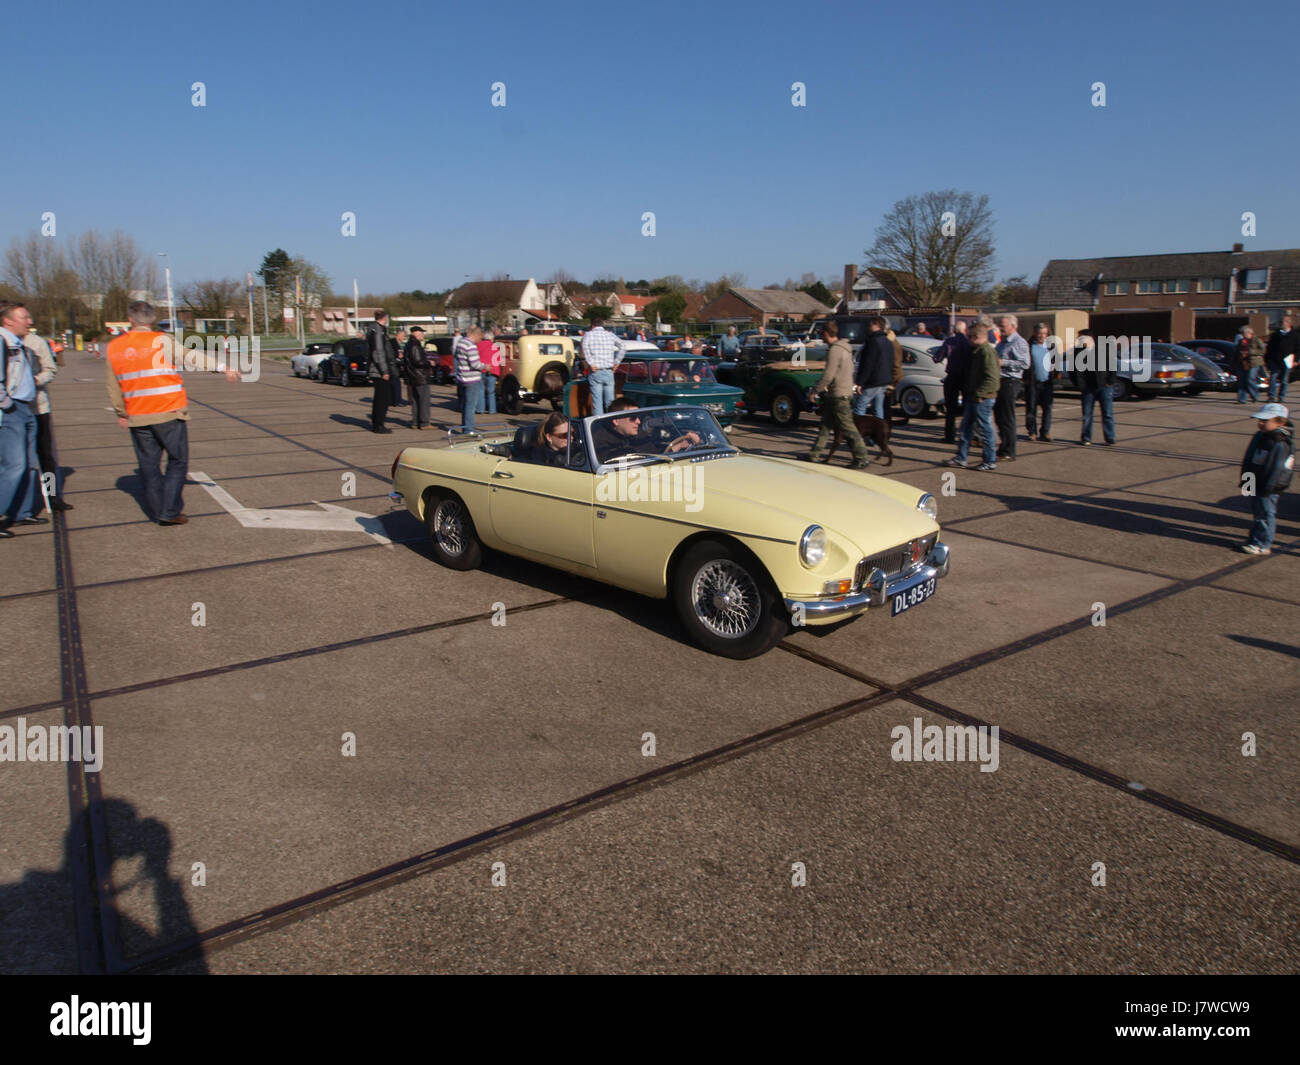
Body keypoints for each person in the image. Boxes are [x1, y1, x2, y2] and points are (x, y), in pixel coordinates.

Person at [104, 300, 240, 525]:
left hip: (138, 416)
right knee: (177, 461)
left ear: (130, 320)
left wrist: (121, 412)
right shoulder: (161, 341)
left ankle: (159, 510)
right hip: (168, 412)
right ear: (152, 320)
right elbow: (190, 357)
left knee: (149, 466)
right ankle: (169, 511)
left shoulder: (115, 346)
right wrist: (223, 367)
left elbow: (112, 384)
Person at [0, 302, 44, 537]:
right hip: (11, 410)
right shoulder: (3, 341)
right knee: (14, 465)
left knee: (28, 464)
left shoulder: (18, 344)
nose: (29, 322)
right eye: (24, 318)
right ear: (8, 321)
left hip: (25, 408)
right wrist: (6, 404)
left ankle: (22, 511)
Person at [806, 320, 870, 469]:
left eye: (822, 333)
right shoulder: (846, 348)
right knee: (826, 426)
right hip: (841, 392)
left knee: (848, 427)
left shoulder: (835, 350)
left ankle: (862, 457)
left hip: (839, 395)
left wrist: (815, 391)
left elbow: (829, 375)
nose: (821, 337)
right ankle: (813, 454)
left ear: (827, 333)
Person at [1238, 403, 1293, 555]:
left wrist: (1268, 488)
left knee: (1265, 513)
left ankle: (1262, 544)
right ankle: (1254, 539)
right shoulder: (1260, 436)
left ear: (1280, 422)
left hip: (1267, 486)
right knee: (1257, 513)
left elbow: (1276, 469)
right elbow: (1249, 459)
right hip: (1255, 480)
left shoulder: (1280, 442)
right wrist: (1246, 481)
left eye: (1265, 420)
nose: (1260, 423)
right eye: (1259, 420)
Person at [946, 322, 999, 471]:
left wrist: (980, 394)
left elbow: (992, 378)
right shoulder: (977, 351)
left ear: (976, 337)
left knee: (985, 429)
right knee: (965, 428)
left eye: (969, 337)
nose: (967, 340)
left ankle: (990, 460)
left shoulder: (986, 352)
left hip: (982, 398)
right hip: (973, 396)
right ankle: (961, 457)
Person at [590, 398, 701, 462]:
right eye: (633, 417)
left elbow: (656, 457)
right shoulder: (599, 440)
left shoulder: (639, 436)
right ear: (616, 420)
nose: (638, 421)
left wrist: (680, 445)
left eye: (639, 417)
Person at [994, 315, 1030, 461]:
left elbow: (1025, 363)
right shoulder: (1002, 342)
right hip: (1000, 381)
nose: (1000, 328)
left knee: (1007, 417)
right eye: (1000, 325)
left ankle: (1009, 451)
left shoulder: (1019, 342)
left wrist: (1004, 362)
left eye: (1003, 326)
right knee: (999, 416)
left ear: (1013, 326)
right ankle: (1003, 446)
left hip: (1011, 381)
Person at [1075, 332, 1116, 446]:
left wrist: (1110, 382)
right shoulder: (1078, 352)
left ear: (1090, 338)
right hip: (1088, 389)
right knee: (1087, 414)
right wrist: (1081, 386)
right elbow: (1076, 372)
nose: (1079, 340)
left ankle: (1110, 437)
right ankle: (1086, 437)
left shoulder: (1103, 349)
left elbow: (1112, 365)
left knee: (1107, 413)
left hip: (1104, 387)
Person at [580, 317, 625, 416]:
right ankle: (612, 422)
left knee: (597, 403)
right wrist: (616, 362)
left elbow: (585, 348)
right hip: (609, 370)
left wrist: (590, 363)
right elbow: (623, 346)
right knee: (610, 402)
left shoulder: (589, 335)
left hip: (596, 370)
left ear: (592, 325)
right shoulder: (610, 335)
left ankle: (598, 425)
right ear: (602, 325)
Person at [934, 320, 970, 444]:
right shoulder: (968, 342)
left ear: (954, 330)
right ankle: (968, 435)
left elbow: (937, 358)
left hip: (952, 376)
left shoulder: (949, 342)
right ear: (964, 330)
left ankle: (950, 436)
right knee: (968, 408)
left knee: (950, 409)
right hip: (966, 377)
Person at [853, 316, 893, 418]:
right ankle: (879, 430)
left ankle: (857, 431)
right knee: (878, 408)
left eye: (870, 324)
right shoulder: (887, 341)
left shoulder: (873, 341)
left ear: (877, 325)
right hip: (884, 379)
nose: (868, 326)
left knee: (860, 407)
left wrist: (860, 382)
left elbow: (868, 363)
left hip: (873, 380)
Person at [1024, 322, 1055, 442]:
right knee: (1031, 408)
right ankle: (1032, 432)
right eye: (1039, 333)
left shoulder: (1051, 346)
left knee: (1047, 408)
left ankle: (1045, 432)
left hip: (1047, 383)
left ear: (1047, 334)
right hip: (1032, 383)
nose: (1041, 336)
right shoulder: (1028, 346)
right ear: (1034, 333)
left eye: (1043, 333)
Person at [366, 311, 395, 433]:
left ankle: (377, 423)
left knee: (379, 398)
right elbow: (379, 351)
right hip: (379, 370)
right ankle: (379, 425)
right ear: (384, 317)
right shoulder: (378, 331)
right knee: (382, 399)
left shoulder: (372, 329)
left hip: (376, 369)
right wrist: (384, 371)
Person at [454, 326, 487, 430]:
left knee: (465, 405)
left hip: (462, 377)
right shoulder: (471, 346)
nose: (480, 340)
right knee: (471, 406)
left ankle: (465, 427)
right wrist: (486, 366)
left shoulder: (461, 343)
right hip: (471, 379)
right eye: (480, 338)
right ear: (476, 335)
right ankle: (469, 429)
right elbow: (475, 364)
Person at [403, 326, 432, 430]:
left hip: (413, 376)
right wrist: (429, 363)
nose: (423, 335)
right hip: (420, 376)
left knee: (415, 400)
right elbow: (418, 361)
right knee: (424, 400)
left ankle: (415, 422)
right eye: (422, 333)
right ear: (416, 333)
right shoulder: (415, 345)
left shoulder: (409, 344)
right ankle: (424, 422)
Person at [1264, 316, 1295, 403]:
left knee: (1284, 380)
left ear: (1289, 323)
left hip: (1287, 360)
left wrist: (1296, 360)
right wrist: (1267, 359)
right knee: (1273, 377)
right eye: (1281, 321)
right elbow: (1269, 347)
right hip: (1275, 360)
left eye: (1284, 321)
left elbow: (1297, 348)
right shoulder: (1275, 335)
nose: (1282, 323)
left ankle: (1281, 397)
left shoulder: (1294, 335)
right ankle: (1271, 396)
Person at [1235, 326, 1266, 404]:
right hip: (1242, 363)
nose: (1242, 335)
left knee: (1250, 379)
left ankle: (1254, 395)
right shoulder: (1241, 341)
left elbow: (1263, 350)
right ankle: (1242, 399)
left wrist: (1251, 352)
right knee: (1241, 381)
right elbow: (1236, 351)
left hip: (1254, 362)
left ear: (1249, 333)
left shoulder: (1256, 340)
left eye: (1243, 333)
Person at [478, 328, 500, 415]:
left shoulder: (478, 345)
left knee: (481, 390)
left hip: (481, 370)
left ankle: (480, 409)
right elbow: (498, 359)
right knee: (491, 392)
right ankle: (492, 410)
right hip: (492, 370)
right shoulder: (495, 346)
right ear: (492, 338)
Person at [390, 328, 407, 406]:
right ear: (398, 335)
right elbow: (391, 353)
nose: (404, 338)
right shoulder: (392, 343)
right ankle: (396, 401)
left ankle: (396, 400)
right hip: (393, 367)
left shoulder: (397, 343)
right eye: (403, 336)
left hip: (396, 366)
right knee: (395, 384)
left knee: (396, 383)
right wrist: (398, 355)